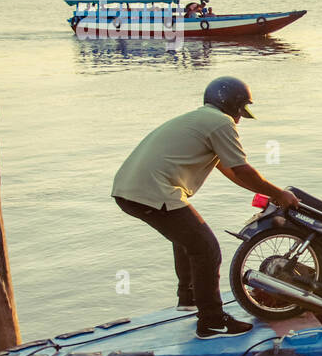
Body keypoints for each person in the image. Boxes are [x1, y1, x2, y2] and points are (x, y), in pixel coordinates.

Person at [112, 77, 299, 338]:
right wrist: (279, 193)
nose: (240, 119)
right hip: (152, 191)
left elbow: (231, 171)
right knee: (207, 249)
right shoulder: (221, 123)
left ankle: (188, 298)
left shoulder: (200, 119)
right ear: (232, 105)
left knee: (188, 238)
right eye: (241, 111)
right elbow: (241, 169)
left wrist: (268, 193)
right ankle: (212, 321)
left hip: (128, 190)